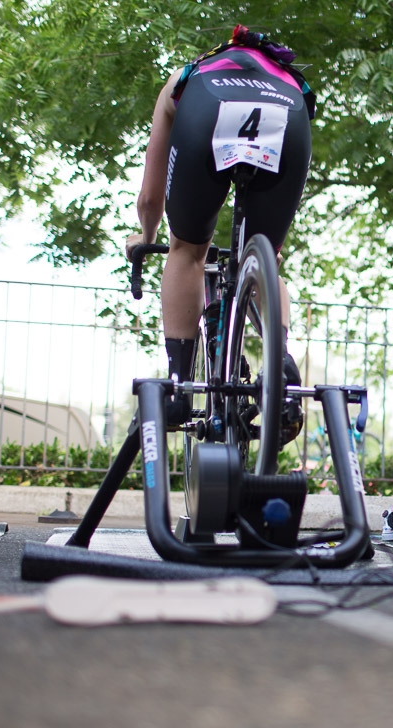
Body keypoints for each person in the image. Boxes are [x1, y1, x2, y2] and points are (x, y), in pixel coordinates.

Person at [127, 25, 315, 439]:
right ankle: (280, 361)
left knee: (187, 251)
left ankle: (179, 387)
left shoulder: (186, 76)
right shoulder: (288, 77)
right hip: (290, 113)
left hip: (205, 110)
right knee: (264, 257)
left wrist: (146, 236)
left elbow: (150, 197)